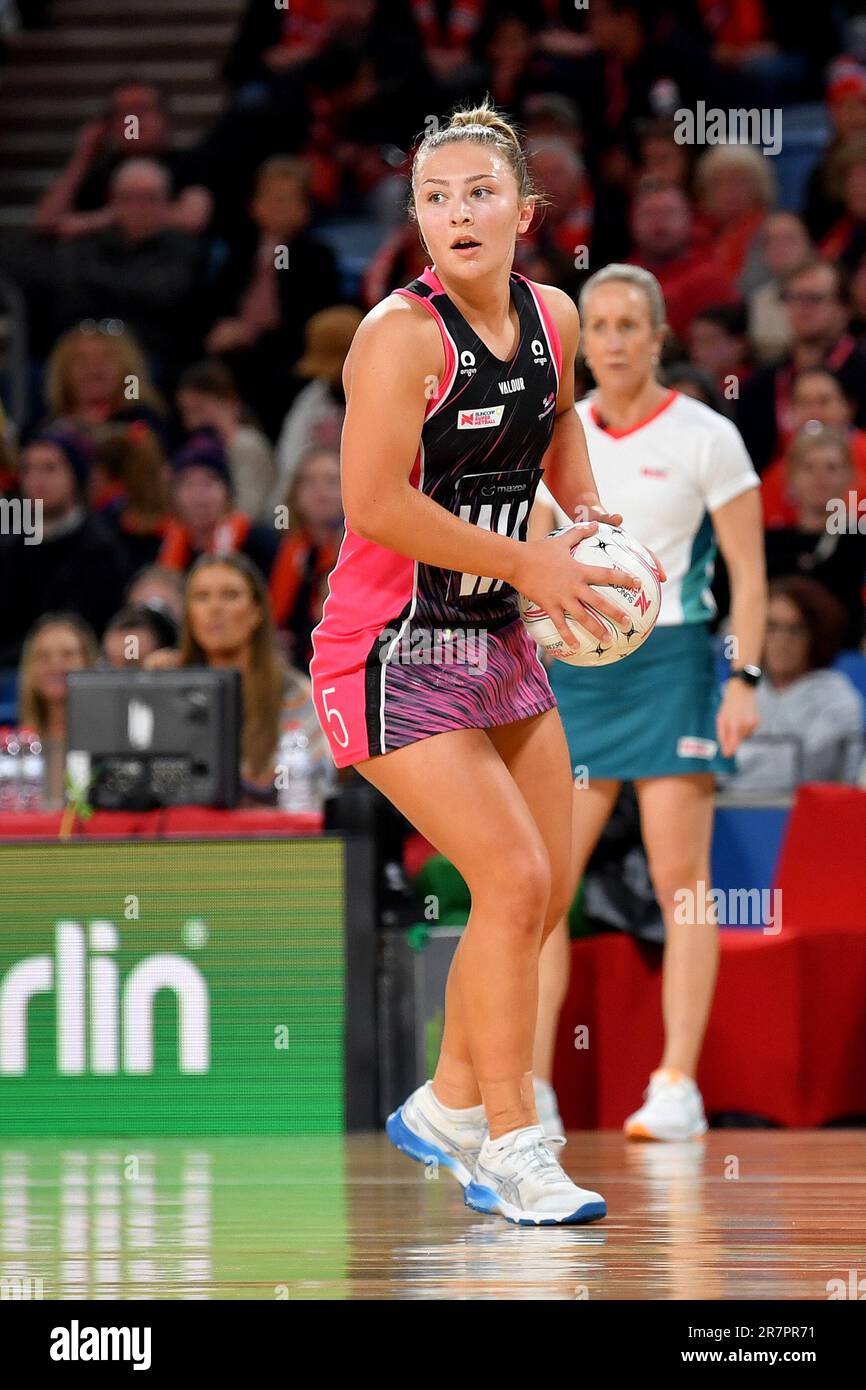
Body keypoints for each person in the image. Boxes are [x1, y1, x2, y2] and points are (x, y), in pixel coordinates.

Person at [309, 101, 653, 1225]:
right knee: (506, 880)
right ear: (414, 217)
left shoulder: (552, 316)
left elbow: (555, 419)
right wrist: (529, 562)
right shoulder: (395, 337)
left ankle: (449, 1101)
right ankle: (509, 1139)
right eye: (434, 196)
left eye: (478, 192)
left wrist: (586, 519)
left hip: (496, 635)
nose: (456, 212)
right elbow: (371, 503)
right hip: (387, 647)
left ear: (523, 208)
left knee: (536, 894)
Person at [531, 262, 766, 1142]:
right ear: (580, 342)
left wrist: (741, 679)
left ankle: (675, 1086)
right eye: (600, 326)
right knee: (548, 888)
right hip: (576, 667)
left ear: (660, 336)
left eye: (633, 324)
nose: (617, 341)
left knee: (684, 884)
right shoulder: (563, 435)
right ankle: (533, 1090)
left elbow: (748, 576)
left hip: (672, 665)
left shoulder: (707, 435)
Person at [144, 553, 330, 805]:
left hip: (273, 840)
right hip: (186, 839)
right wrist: (152, 692)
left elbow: (310, 794)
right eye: (201, 597)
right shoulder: (169, 683)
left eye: (230, 595)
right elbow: (151, 785)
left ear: (256, 612)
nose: (214, 608)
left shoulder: (296, 695)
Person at [0, 430, 130, 666]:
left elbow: (85, 630)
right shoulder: (10, 546)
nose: (37, 480)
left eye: (50, 468)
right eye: (28, 470)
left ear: (75, 476)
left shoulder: (101, 550)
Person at [723, 577, 864, 794]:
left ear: (816, 634)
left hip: (808, 817)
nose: (782, 640)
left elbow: (799, 773)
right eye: (772, 627)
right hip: (731, 815)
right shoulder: (737, 691)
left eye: (795, 629)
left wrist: (738, 765)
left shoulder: (838, 699)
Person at [157, 431, 279, 579]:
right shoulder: (158, 544)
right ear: (174, 496)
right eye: (188, 485)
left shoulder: (261, 544)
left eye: (208, 483)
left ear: (228, 493)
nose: (199, 497)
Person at [270, 446, 343, 671]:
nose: (320, 490)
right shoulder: (276, 550)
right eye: (309, 482)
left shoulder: (366, 551)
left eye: (332, 481)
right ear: (296, 493)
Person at [17, 611, 99, 808]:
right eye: (43, 656)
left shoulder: (109, 748)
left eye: (68, 654)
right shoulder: (10, 748)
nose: (56, 665)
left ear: (88, 662)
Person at [176, 360, 276, 522]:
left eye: (200, 409)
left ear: (228, 401)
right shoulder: (200, 449)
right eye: (186, 412)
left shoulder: (245, 444)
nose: (191, 423)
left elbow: (249, 512)